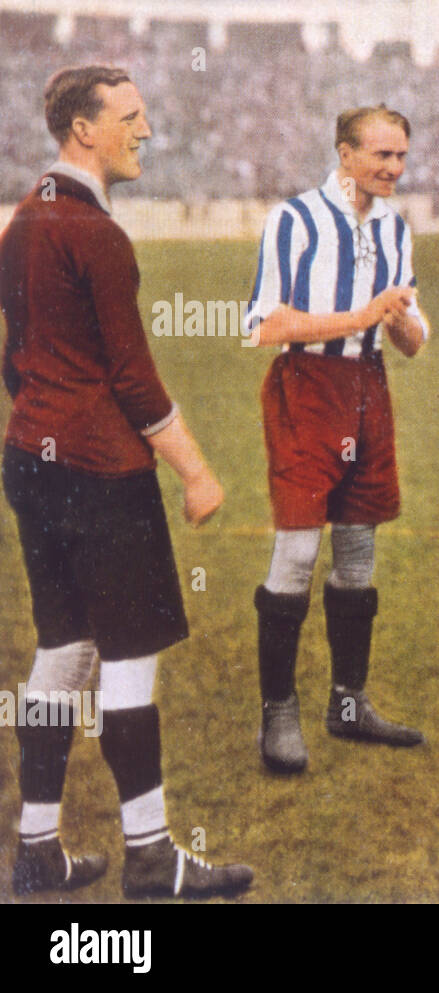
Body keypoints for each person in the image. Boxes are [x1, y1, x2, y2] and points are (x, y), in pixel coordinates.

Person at [1, 65, 253, 898]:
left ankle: (36, 849)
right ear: (83, 129)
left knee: (62, 648)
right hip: (101, 472)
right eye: (130, 117)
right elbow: (136, 382)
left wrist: (47, 415)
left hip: (29, 461)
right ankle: (150, 854)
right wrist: (198, 470)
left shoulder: (21, 221)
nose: (145, 131)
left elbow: (15, 359)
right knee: (128, 655)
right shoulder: (98, 236)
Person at [245, 105, 430, 774]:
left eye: (402, 156)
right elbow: (263, 325)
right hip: (307, 387)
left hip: (367, 387)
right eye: (383, 155)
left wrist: (402, 322)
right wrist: (360, 313)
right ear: (346, 154)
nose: (395, 168)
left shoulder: (396, 229)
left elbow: (410, 337)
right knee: (297, 552)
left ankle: (348, 704)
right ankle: (279, 712)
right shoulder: (295, 220)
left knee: (357, 551)